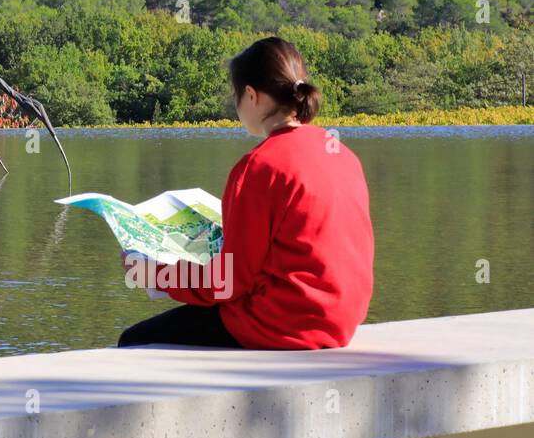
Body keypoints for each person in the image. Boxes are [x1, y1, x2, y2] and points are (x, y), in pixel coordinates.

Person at [116, 36, 374, 350]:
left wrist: (154, 274)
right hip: (340, 321)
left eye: (236, 96)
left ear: (251, 95)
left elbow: (227, 282)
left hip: (283, 322)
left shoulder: (260, 166)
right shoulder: (342, 154)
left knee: (134, 340)